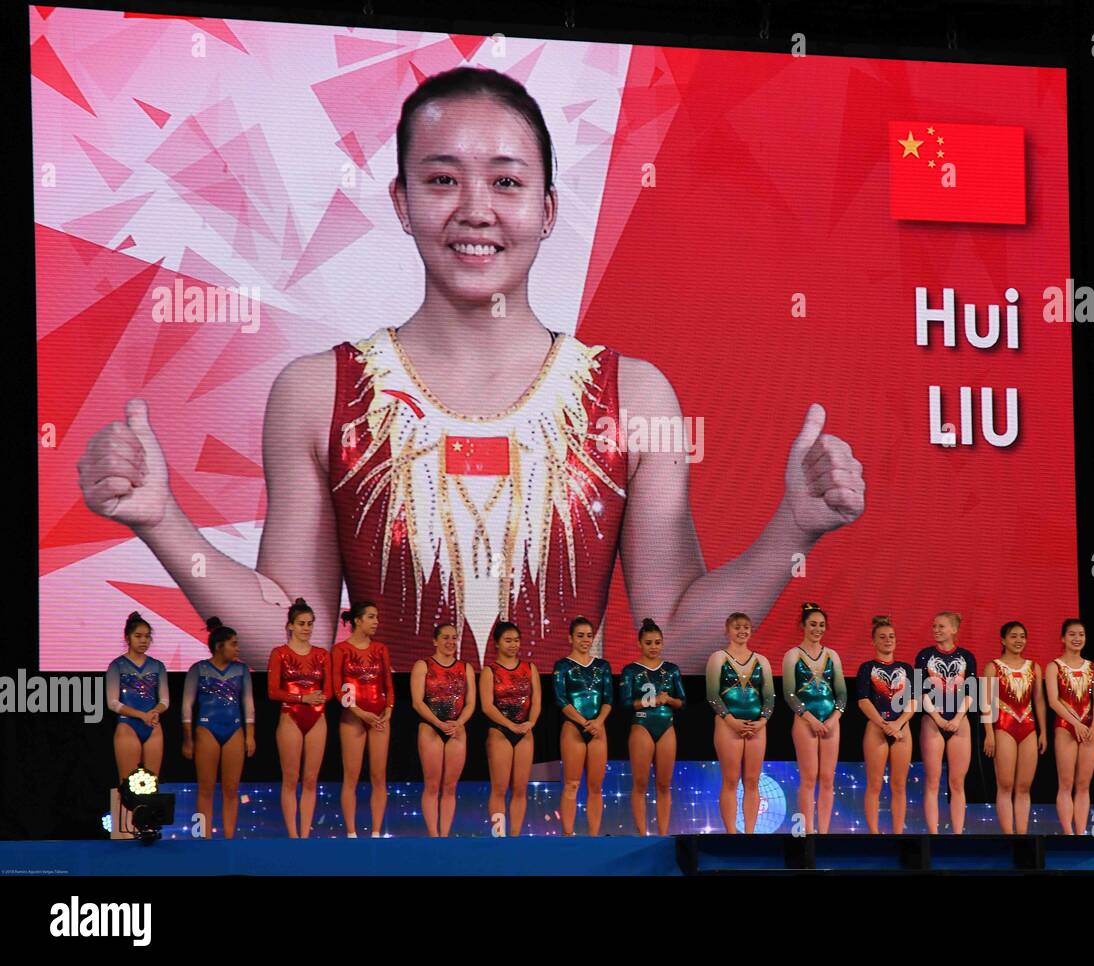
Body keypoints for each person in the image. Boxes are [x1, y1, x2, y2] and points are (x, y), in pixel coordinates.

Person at [76, 66, 866, 671]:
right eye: (443, 179)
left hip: (570, 812)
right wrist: (161, 521)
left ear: (548, 210)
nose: (476, 209)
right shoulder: (319, 392)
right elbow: (298, 651)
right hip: (382, 809)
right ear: (402, 201)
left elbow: (682, 642)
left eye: (507, 181)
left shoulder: (632, 395)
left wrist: (792, 530)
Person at [182, 617, 255, 838]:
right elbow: (187, 705)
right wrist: (188, 739)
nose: (237, 648)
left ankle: (229, 839)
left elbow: (248, 704)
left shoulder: (241, 671)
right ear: (218, 646)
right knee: (206, 788)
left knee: (231, 789)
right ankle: (204, 838)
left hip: (234, 729)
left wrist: (250, 736)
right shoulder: (198, 669)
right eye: (233, 644)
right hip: (206, 729)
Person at [267, 597, 332, 838]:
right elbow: (273, 691)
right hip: (290, 716)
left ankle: (305, 834)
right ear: (290, 626)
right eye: (302, 623)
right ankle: (293, 835)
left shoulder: (322, 654)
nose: (306, 628)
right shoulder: (280, 654)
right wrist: (303, 699)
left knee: (311, 778)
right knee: (291, 777)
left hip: (317, 717)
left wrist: (320, 698)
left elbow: (330, 689)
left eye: (310, 624)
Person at [705, 613, 776, 834]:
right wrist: (730, 721)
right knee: (731, 779)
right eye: (737, 627)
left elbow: (769, 697)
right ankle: (731, 834)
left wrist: (762, 721)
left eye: (746, 627)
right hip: (728, 725)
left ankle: (750, 832)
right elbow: (712, 695)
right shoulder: (718, 658)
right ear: (727, 630)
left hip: (757, 727)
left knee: (753, 780)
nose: (742, 631)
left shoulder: (761, 660)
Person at [782, 602, 847, 834]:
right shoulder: (792, 655)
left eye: (821, 625)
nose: (817, 629)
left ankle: (825, 831)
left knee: (828, 778)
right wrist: (809, 718)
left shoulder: (832, 656)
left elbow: (841, 692)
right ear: (803, 625)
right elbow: (789, 693)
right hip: (804, 721)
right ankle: (808, 831)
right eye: (812, 624)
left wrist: (833, 719)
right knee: (809, 778)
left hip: (831, 721)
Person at [332, 602, 394, 837]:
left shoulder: (380, 649)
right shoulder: (341, 650)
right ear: (358, 620)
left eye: (376, 617)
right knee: (351, 775)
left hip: (379, 716)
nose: (376, 621)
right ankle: (351, 832)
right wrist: (359, 712)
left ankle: (377, 832)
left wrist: (388, 710)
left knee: (379, 776)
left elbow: (388, 683)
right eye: (371, 617)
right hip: (353, 717)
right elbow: (338, 689)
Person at [620, 617, 687, 835]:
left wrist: (668, 700)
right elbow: (625, 702)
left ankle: (663, 833)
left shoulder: (671, 669)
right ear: (640, 643)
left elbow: (682, 701)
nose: (653, 647)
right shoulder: (631, 670)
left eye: (657, 642)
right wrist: (653, 701)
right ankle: (642, 834)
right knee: (640, 784)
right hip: (642, 724)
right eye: (649, 643)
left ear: (663, 643)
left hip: (666, 725)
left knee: (664, 784)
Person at [913, 610, 977, 834]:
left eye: (941, 626)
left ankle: (958, 834)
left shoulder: (967, 657)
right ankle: (933, 833)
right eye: (934, 626)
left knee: (957, 783)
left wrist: (958, 717)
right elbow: (920, 691)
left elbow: (970, 690)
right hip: (933, 720)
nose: (936, 630)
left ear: (954, 629)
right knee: (933, 781)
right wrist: (938, 718)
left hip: (960, 722)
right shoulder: (924, 656)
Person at [411, 622, 476, 836]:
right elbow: (418, 702)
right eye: (445, 637)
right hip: (431, 726)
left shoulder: (465, 667)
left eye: (453, 638)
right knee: (432, 785)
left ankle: (445, 836)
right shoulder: (423, 665)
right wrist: (438, 723)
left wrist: (459, 723)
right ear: (435, 641)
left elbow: (470, 703)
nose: (450, 642)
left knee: (450, 787)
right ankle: (433, 835)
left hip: (456, 727)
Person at [982, 621, 1045, 834]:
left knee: (1024, 786)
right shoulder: (993, 667)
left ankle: (1023, 834)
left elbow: (1039, 701)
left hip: (1028, 726)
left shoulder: (1034, 667)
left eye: (1022, 636)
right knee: (1006, 784)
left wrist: (1043, 731)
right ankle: (1009, 835)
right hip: (1003, 727)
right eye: (1013, 636)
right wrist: (989, 733)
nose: (1019, 641)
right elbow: (986, 702)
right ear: (1003, 640)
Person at [479, 621, 541, 835]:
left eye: (516, 640)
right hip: (500, 731)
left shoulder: (529, 668)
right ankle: (498, 837)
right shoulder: (490, 671)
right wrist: (510, 725)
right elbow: (487, 706)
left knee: (520, 789)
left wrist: (529, 723)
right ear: (497, 643)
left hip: (524, 732)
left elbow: (536, 702)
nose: (513, 644)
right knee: (499, 788)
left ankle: (514, 836)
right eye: (508, 640)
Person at [554, 617, 614, 835]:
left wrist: (598, 722)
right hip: (573, 727)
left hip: (598, 728)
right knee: (571, 784)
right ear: (570, 638)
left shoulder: (602, 666)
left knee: (596, 787)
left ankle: (594, 835)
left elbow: (608, 699)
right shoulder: (563, 666)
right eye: (580, 636)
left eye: (589, 636)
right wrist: (583, 722)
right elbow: (561, 699)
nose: (585, 640)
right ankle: (568, 836)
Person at [856, 616, 915, 833]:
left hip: (902, 729)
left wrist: (898, 724)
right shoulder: (866, 668)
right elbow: (863, 700)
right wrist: (884, 724)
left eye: (891, 637)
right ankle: (874, 833)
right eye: (882, 637)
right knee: (875, 785)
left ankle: (898, 833)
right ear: (874, 642)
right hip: (876, 728)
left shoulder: (907, 669)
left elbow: (913, 702)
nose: (887, 640)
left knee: (899, 786)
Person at [1044, 619, 1094, 834]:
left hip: (1089, 729)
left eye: (1081, 634)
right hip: (1065, 727)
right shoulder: (1054, 666)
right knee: (1066, 783)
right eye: (1072, 635)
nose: (1077, 639)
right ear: (1063, 638)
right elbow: (1053, 700)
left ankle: (1081, 831)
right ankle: (1068, 832)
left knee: (1084, 784)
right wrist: (1075, 723)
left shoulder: (1093, 667)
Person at [106, 611, 169, 782]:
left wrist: (155, 712)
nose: (143, 641)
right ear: (128, 638)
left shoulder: (157, 666)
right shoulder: (117, 665)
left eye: (147, 637)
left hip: (153, 726)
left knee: (151, 783)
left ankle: (148, 810)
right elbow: (113, 702)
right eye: (138, 636)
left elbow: (164, 700)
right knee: (128, 785)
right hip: (128, 726)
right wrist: (142, 715)